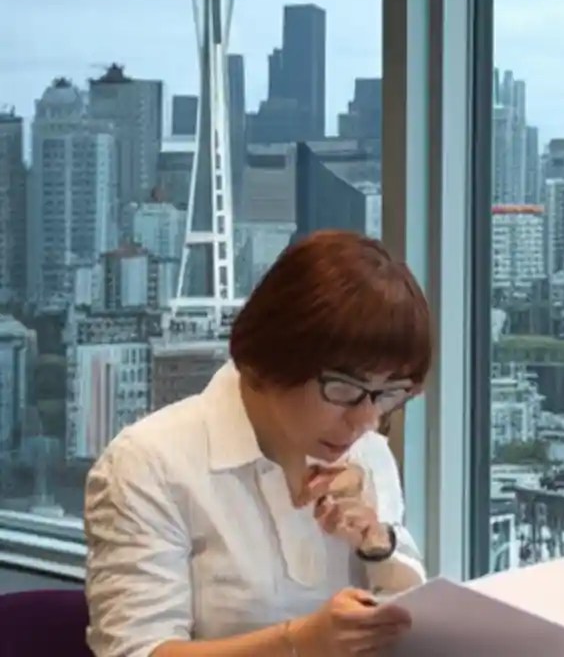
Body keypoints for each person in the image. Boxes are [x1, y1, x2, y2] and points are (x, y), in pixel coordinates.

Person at [84, 230, 433, 657]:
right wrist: (299, 643)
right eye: (343, 388)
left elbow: (406, 619)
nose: (365, 419)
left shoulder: (366, 453)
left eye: (390, 393)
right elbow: (136, 652)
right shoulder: (149, 463)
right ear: (270, 360)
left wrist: (377, 544)